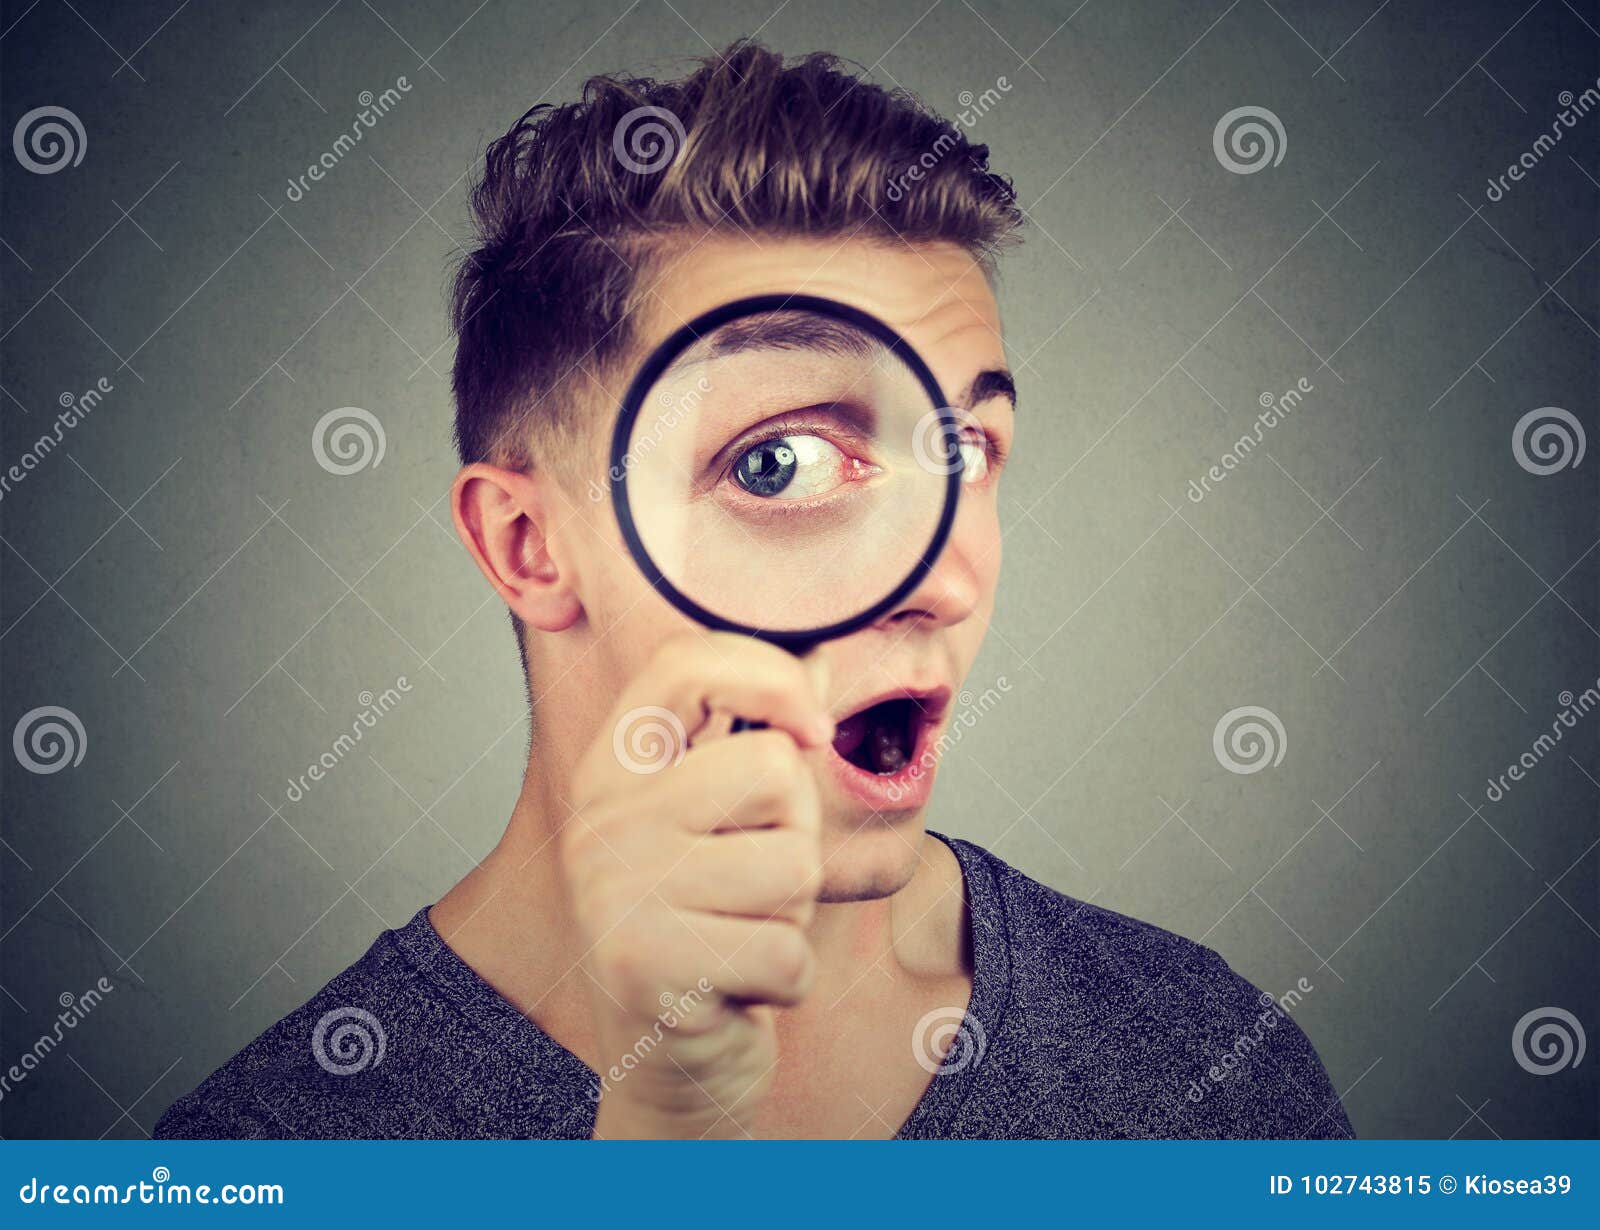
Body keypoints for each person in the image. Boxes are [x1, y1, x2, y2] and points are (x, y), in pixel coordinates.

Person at [156, 40, 1351, 1141]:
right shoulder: (280, 1149)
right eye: (781, 460)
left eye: (967, 454)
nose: (943, 576)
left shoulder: (1205, 1063)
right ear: (527, 545)